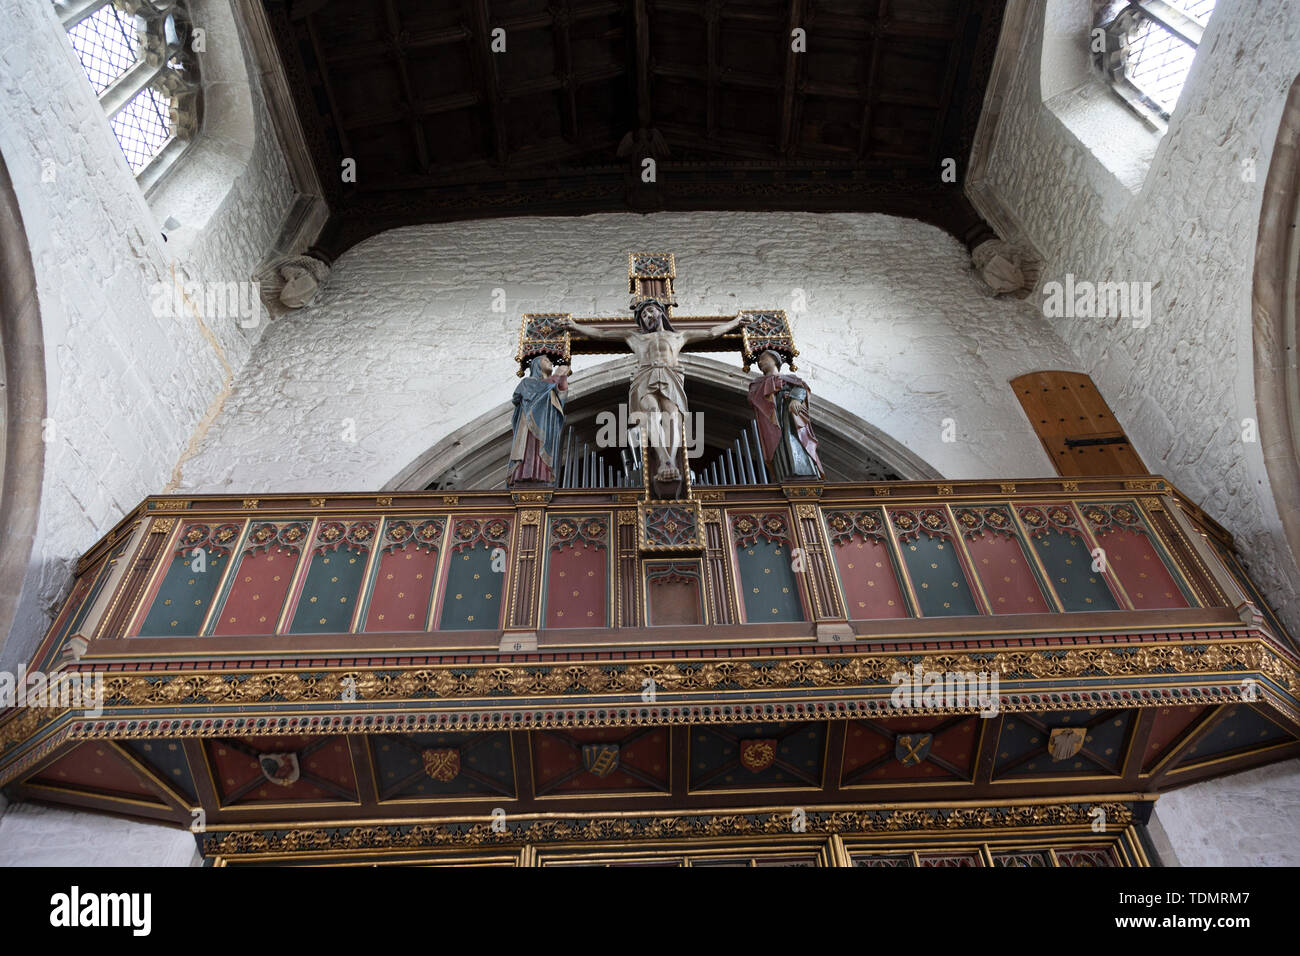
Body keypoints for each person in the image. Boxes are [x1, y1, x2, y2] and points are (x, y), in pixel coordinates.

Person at [564, 301, 741, 496]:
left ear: (661, 312)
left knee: (673, 415)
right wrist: (575, 326)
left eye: (650, 311)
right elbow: (601, 334)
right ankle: (664, 459)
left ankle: (671, 461)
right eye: (644, 316)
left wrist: (736, 322)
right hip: (644, 375)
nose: (648, 316)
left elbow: (711, 333)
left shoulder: (679, 336)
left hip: (670, 375)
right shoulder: (634, 338)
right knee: (651, 412)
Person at [748, 349, 823, 481]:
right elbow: (754, 398)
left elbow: (802, 389)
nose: (760, 362)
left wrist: (794, 398)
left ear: (774, 360)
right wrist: (772, 389)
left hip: (790, 417)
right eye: (759, 360)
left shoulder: (792, 379)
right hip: (773, 418)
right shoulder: (758, 384)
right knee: (778, 443)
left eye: (763, 359)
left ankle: (803, 471)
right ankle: (785, 473)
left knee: (794, 439)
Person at [508, 354, 570, 486]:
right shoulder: (528, 382)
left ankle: (543, 475)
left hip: (549, 424)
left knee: (547, 449)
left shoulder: (551, 384)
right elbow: (538, 389)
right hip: (532, 424)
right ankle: (527, 475)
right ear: (537, 365)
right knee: (532, 447)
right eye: (546, 360)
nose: (550, 363)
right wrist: (557, 375)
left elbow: (562, 395)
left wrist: (563, 376)